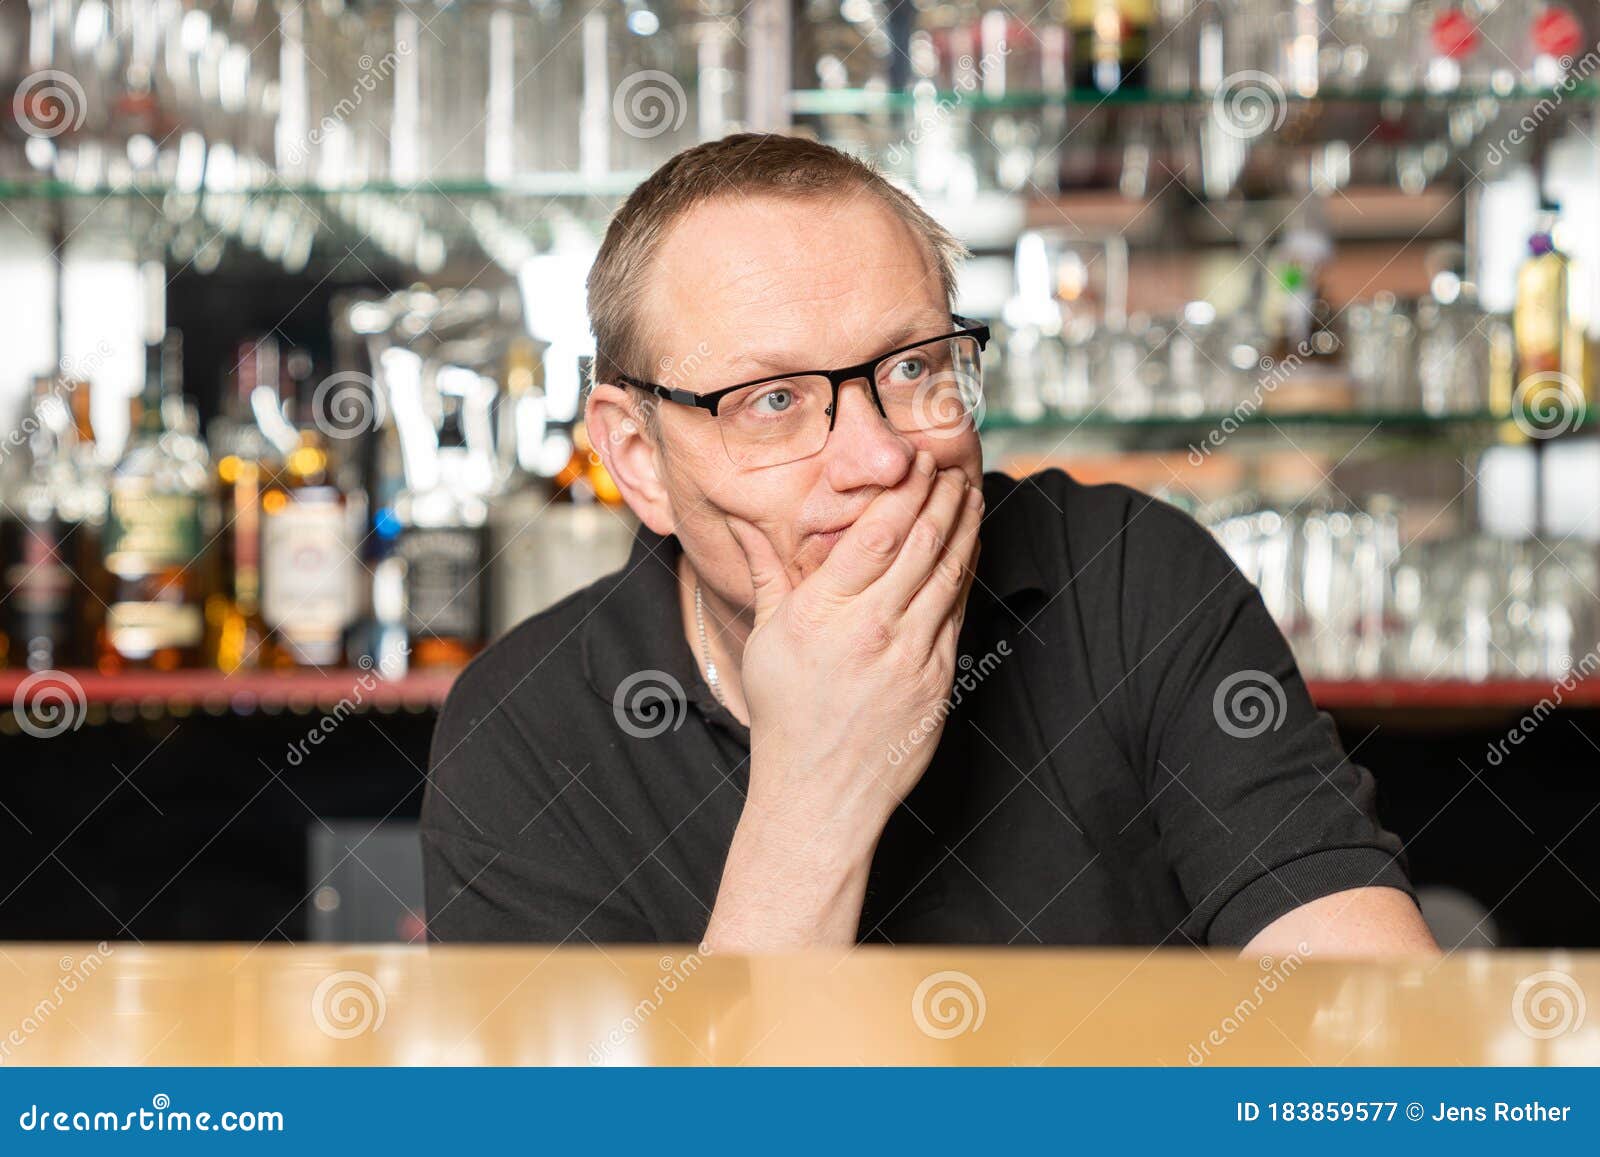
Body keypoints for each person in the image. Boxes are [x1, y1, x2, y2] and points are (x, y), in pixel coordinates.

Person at [421, 132, 1437, 956]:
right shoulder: (526, 725)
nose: (878, 457)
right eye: (773, 399)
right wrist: (813, 791)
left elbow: (1383, 1061)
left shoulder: (1132, 579)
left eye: (913, 368)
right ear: (636, 456)